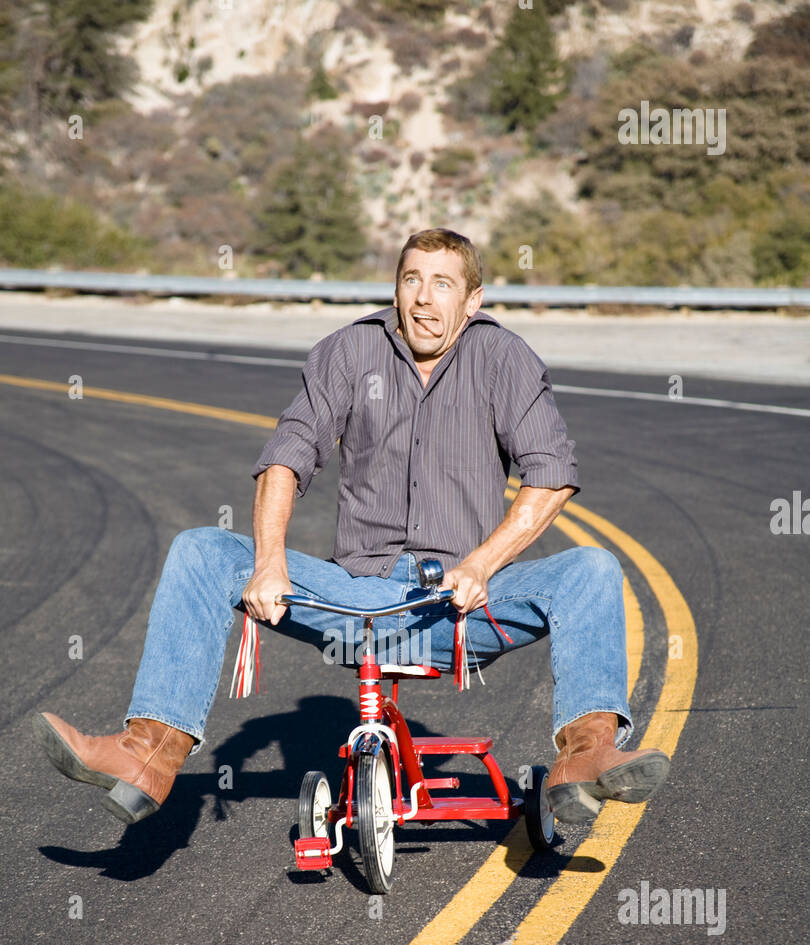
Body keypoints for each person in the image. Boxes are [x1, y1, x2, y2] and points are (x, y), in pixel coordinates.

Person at [34, 227, 669, 828]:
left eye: (443, 284)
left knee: (591, 567)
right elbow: (287, 455)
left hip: (460, 605)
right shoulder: (348, 350)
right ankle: (147, 753)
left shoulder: (504, 358)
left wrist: (481, 564)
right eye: (411, 279)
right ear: (395, 286)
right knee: (202, 549)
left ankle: (586, 757)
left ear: (473, 300)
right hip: (355, 597)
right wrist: (270, 562)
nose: (423, 298)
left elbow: (551, 473)